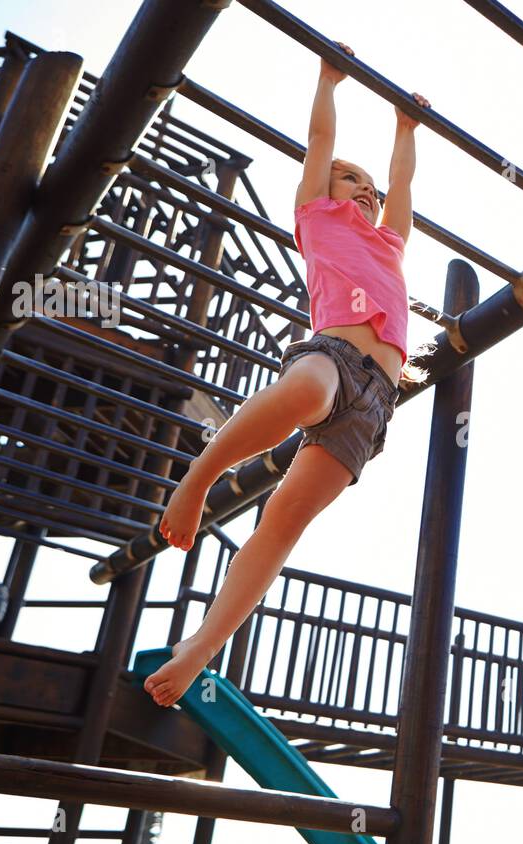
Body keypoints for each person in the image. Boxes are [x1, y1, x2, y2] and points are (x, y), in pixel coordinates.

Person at [144, 41, 428, 708]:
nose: (362, 187)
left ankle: (200, 647)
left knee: (283, 522)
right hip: (331, 356)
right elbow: (320, 139)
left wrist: (405, 129)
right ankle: (197, 480)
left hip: (375, 402)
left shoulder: (387, 239)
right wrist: (330, 81)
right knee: (304, 391)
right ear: (323, 192)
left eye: (368, 183)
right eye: (348, 178)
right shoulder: (316, 219)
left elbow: (405, 186)